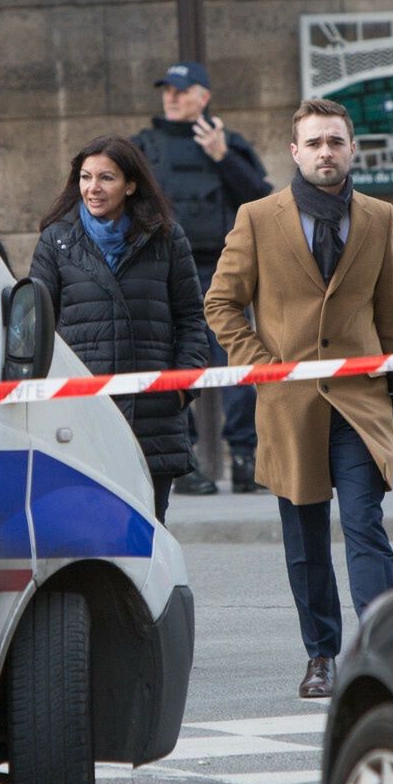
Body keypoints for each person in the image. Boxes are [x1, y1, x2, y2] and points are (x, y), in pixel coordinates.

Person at [205, 99, 393, 700]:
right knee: (305, 538)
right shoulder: (258, 217)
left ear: (352, 150)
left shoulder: (378, 217)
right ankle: (320, 656)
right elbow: (220, 303)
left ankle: (380, 651)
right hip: (289, 403)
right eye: (315, 143)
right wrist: (263, 367)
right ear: (295, 152)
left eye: (336, 142)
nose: (326, 152)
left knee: (363, 525)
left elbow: (390, 313)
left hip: (360, 400)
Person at [30, 136, 208, 524]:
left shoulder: (165, 237)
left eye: (106, 178)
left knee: (148, 526)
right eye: (85, 177)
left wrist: (181, 388)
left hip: (153, 412)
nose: (93, 188)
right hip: (84, 412)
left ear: (130, 184)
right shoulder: (56, 241)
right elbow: (37, 327)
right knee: (89, 528)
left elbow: (193, 319)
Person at [133, 61, 270, 497]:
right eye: (167, 90)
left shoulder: (228, 144)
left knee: (238, 367)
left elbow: (262, 201)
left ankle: (246, 458)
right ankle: (184, 461)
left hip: (220, 272)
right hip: (164, 272)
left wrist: (222, 158)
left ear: (203, 97)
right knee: (173, 370)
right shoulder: (142, 148)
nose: (171, 96)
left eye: (181, 89)